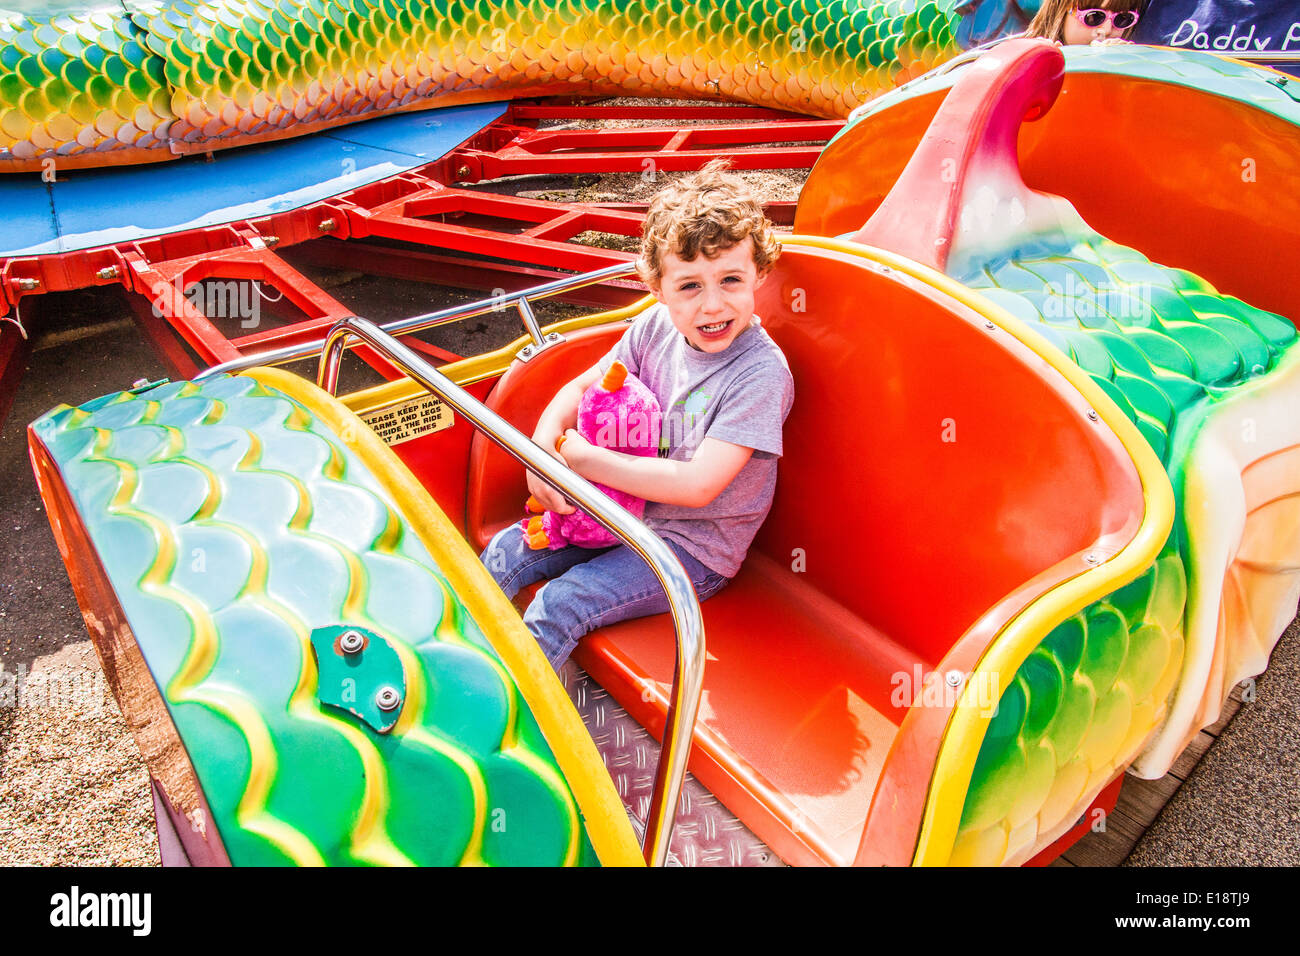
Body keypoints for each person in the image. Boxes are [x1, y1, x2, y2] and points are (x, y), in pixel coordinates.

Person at [481, 161, 795, 669]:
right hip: (619, 512)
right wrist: (544, 448)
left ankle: (512, 723)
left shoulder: (760, 373)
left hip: (691, 550)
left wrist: (580, 460)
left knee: (561, 603)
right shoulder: (654, 327)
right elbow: (586, 384)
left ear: (759, 273)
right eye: (689, 286)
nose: (712, 305)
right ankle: (464, 675)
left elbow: (697, 486)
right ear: (658, 288)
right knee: (502, 554)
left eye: (730, 280)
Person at [1025, 0, 1144, 45]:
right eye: (1093, 17)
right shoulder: (1023, 54)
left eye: (1122, 19)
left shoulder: (1123, 62)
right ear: (1062, 11)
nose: (1107, 30)